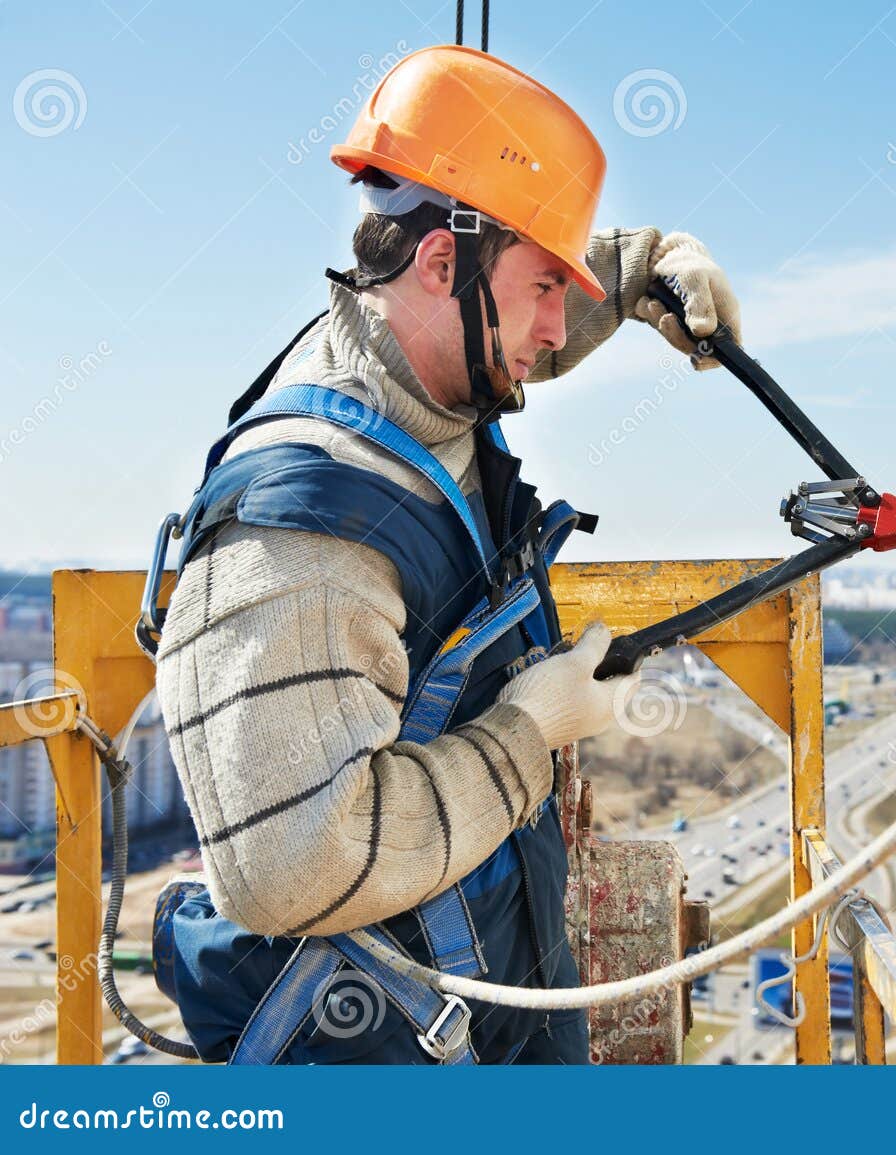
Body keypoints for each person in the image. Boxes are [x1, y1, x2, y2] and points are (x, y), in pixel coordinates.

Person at [152, 44, 741, 1065]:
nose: (559, 331)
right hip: (385, 1054)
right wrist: (529, 732)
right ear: (437, 265)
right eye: (545, 290)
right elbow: (291, 868)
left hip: (476, 995)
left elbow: (508, 308)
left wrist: (642, 267)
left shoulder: (416, 368)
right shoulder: (301, 541)